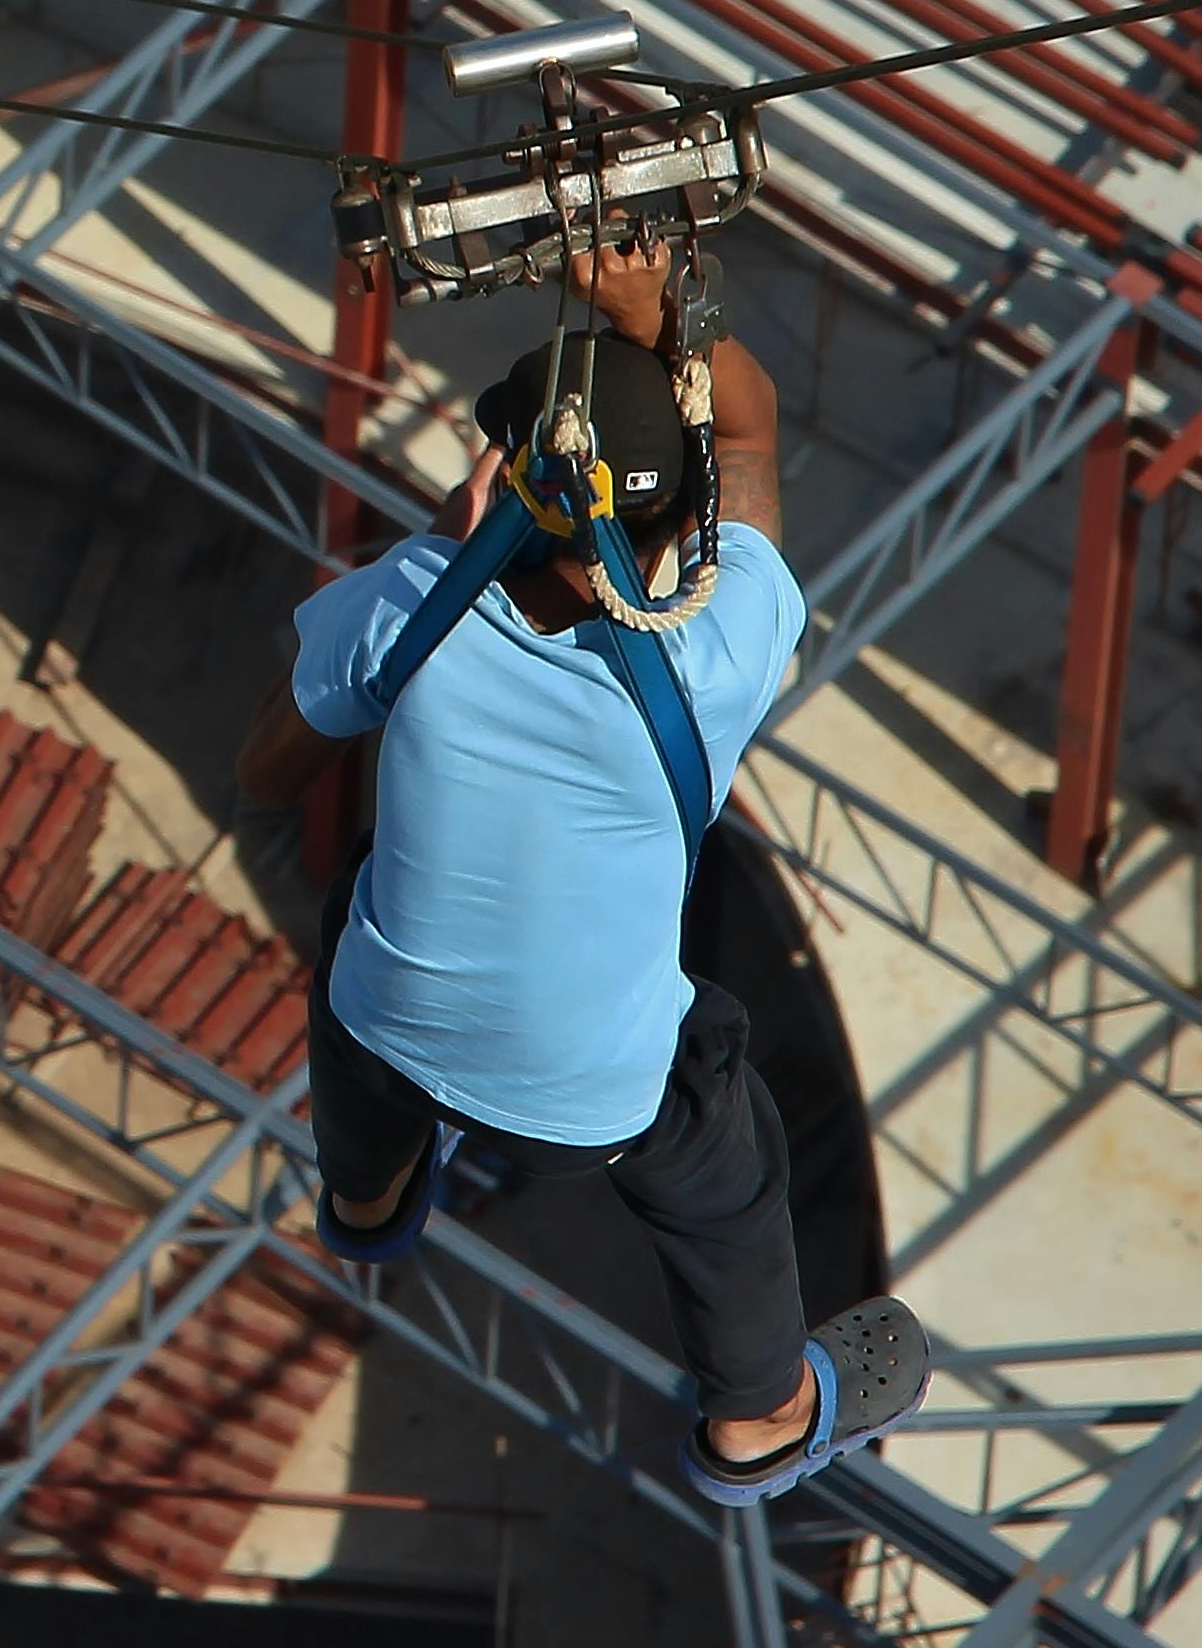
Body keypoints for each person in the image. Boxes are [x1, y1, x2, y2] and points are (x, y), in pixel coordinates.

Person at [234, 241, 927, 1508]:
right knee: (719, 1144)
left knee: (360, 920)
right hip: (584, 1105)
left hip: (388, 1035)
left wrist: (433, 558)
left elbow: (267, 776)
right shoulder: (715, 660)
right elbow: (751, 437)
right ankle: (759, 1417)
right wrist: (656, 310)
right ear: (678, 522)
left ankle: (368, 1193)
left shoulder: (410, 604)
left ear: (499, 470)